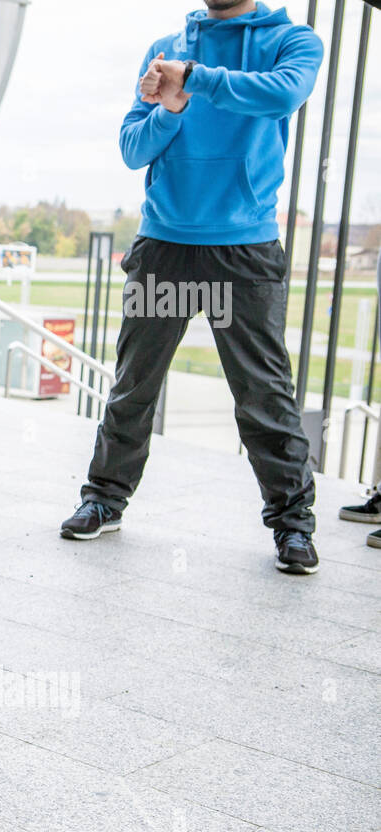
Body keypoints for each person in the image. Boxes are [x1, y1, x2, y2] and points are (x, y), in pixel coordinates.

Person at [60, 0, 324, 574]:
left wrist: (194, 79)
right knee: (134, 384)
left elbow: (281, 94)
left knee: (263, 395)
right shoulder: (164, 50)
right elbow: (133, 149)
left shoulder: (293, 41)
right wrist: (172, 107)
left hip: (245, 249)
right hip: (164, 245)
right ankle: (103, 499)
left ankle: (293, 527)